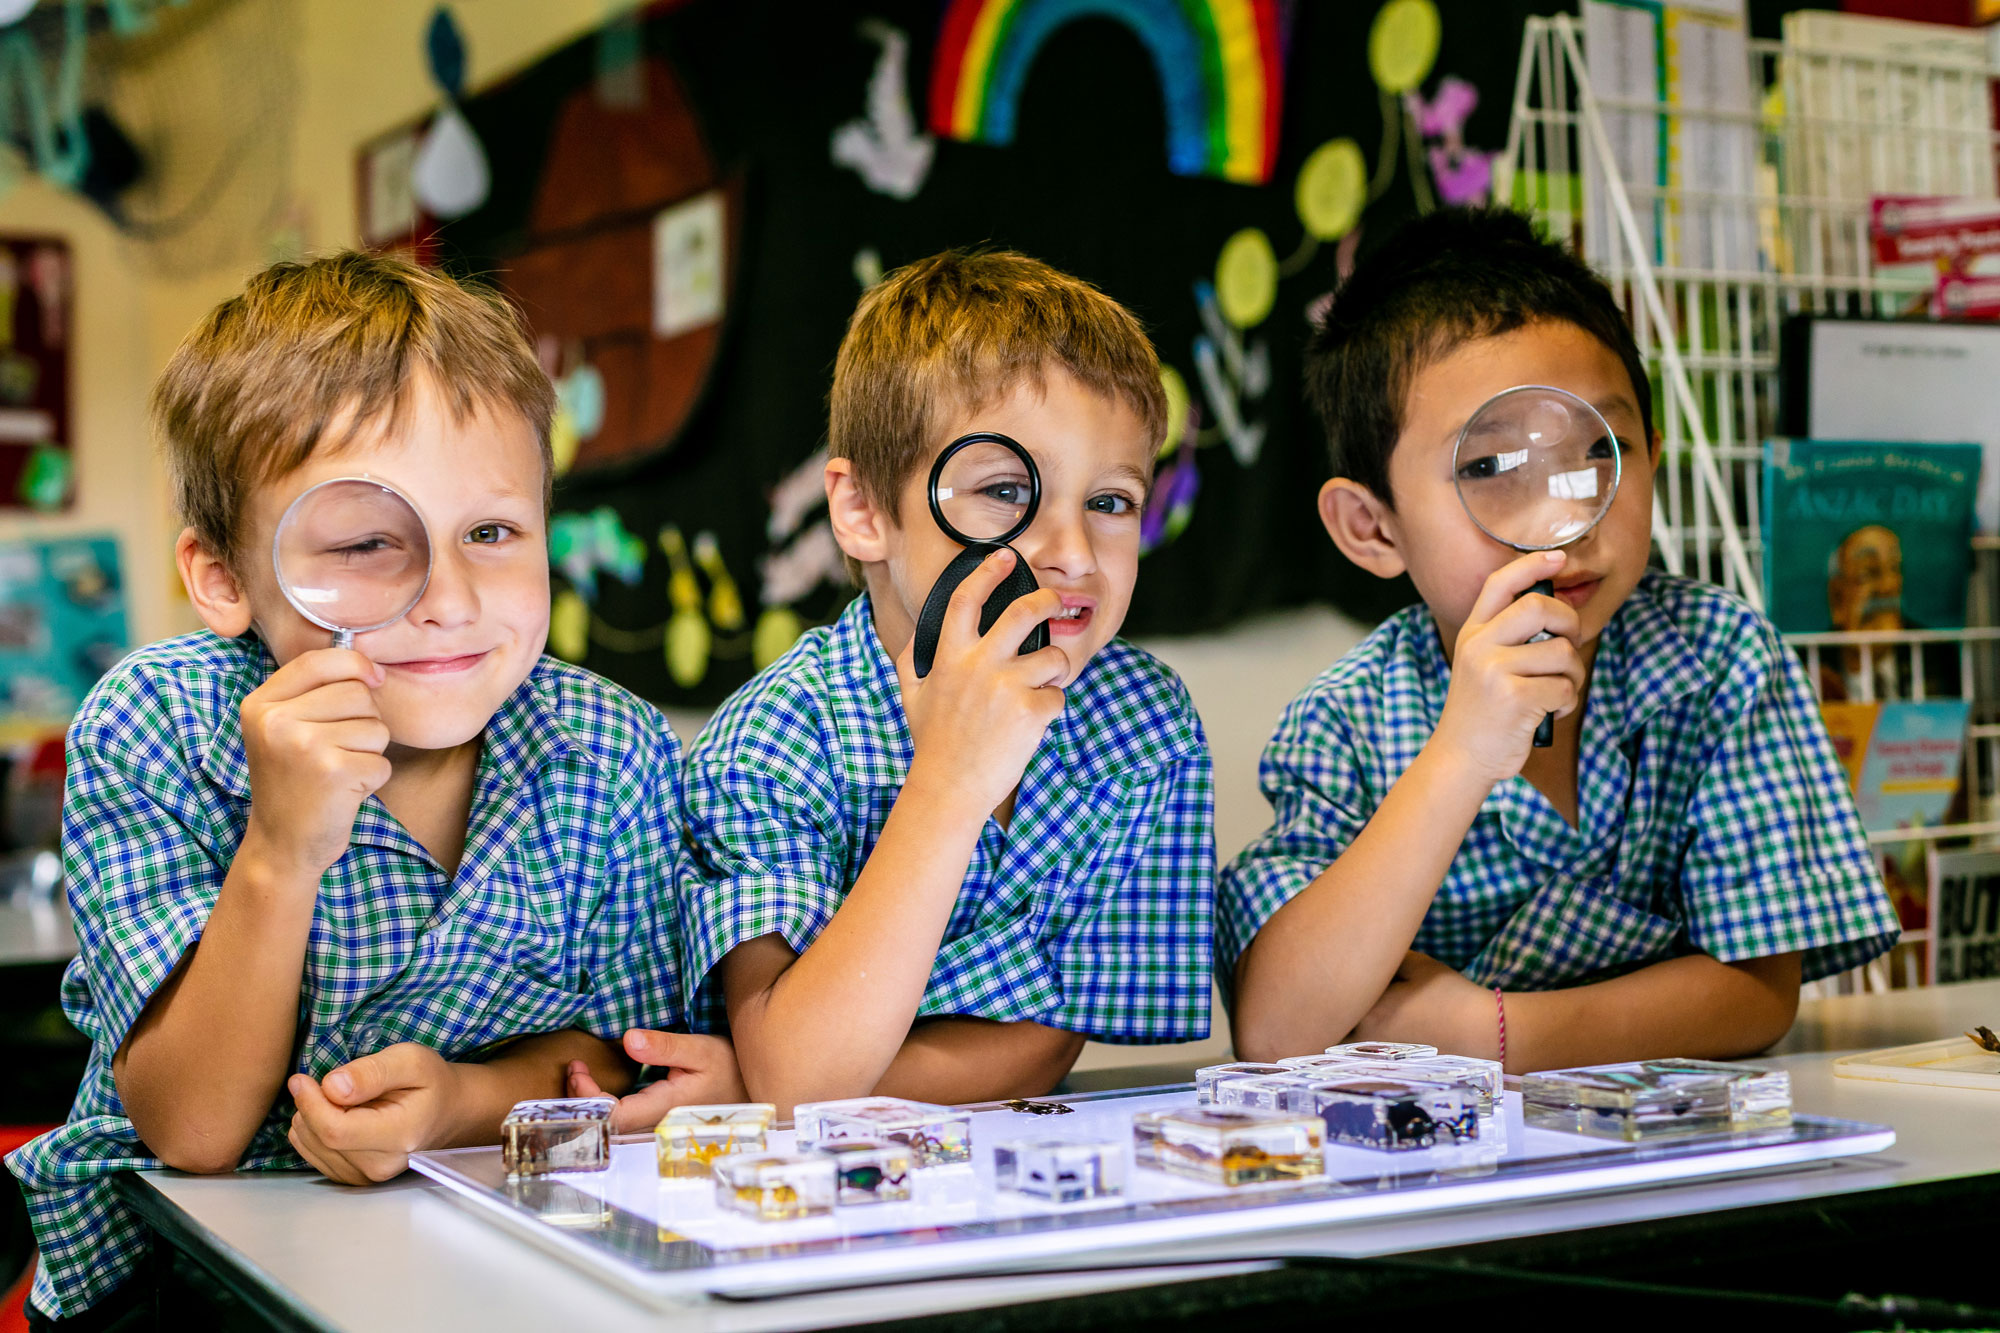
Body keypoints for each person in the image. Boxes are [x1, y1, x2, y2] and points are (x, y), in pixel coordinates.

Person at [6, 253, 734, 1326]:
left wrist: (463, 1103)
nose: (445, 600)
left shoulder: (609, 746)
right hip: (174, 1273)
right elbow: (191, 1131)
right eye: (364, 544)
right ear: (222, 578)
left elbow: (622, 1062)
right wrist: (280, 848)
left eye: (491, 532)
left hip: (484, 1242)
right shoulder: (157, 722)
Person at [1220, 208, 1899, 1069]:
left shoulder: (1720, 657)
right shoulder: (1345, 721)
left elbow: (1758, 995)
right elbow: (1280, 1031)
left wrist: (1490, 1033)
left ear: (1654, 455)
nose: (1558, 521)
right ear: (1372, 527)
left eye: (1599, 452)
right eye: (1490, 468)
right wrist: (1460, 754)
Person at [661, 250, 1214, 1113]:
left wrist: (767, 1080)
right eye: (1005, 489)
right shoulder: (772, 742)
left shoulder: (1143, 726)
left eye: (1110, 502)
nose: (1072, 553)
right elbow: (802, 1076)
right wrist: (951, 783)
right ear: (863, 511)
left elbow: (1043, 1037)